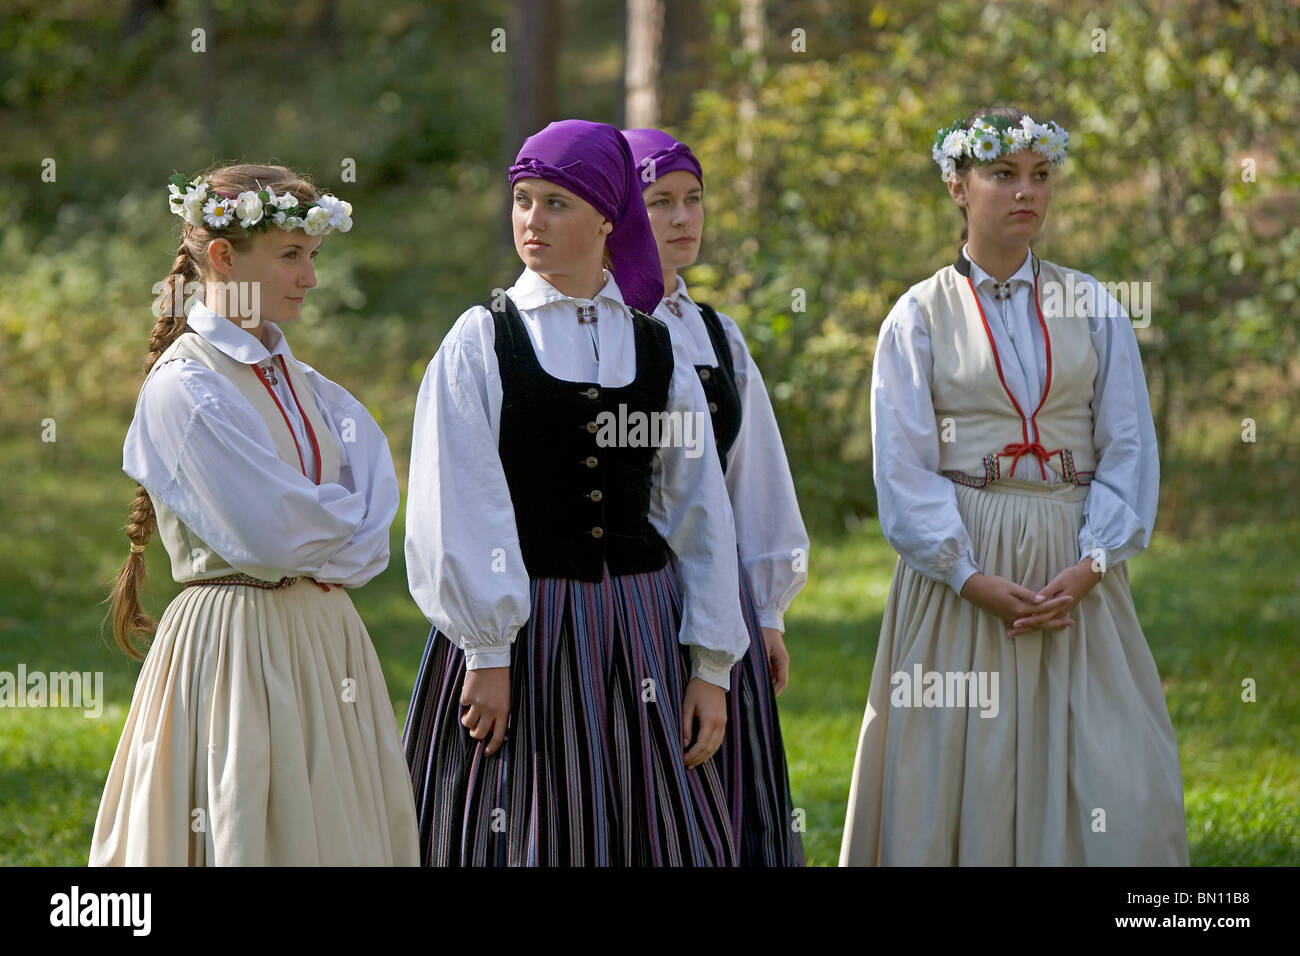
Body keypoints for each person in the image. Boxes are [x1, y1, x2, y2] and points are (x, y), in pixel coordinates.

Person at [840, 108, 1189, 865]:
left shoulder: (1092, 304)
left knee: (1115, 771)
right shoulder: (918, 316)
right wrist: (966, 576)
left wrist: (1095, 562)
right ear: (958, 186)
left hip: (1074, 560)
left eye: (1040, 176)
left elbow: (1128, 446)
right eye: (1003, 175)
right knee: (962, 765)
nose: (1025, 192)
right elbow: (901, 467)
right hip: (963, 564)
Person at [402, 119, 750, 866]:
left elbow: (696, 508)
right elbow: (460, 496)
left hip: (637, 631)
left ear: (606, 216)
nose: (532, 220)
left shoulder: (655, 343)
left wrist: (711, 666)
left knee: (647, 830)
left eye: (556, 203)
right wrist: (487, 651)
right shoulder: (482, 338)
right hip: (523, 632)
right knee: (525, 826)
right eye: (523, 200)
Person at [92, 164, 419, 865]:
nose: (311, 277)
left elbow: (372, 532)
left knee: (333, 832)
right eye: (291, 256)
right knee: (248, 823)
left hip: (327, 640)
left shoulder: (310, 387)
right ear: (222, 257)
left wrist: (316, 527)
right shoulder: (185, 384)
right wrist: (322, 522)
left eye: (313, 256)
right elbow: (271, 536)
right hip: (238, 643)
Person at [623, 128, 809, 866]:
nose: (682, 219)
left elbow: (753, 478)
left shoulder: (717, 337)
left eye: (693, 200)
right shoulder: (597, 331)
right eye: (660, 201)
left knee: (724, 791)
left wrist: (767, 607)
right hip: (624, 595)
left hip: (717, 595)